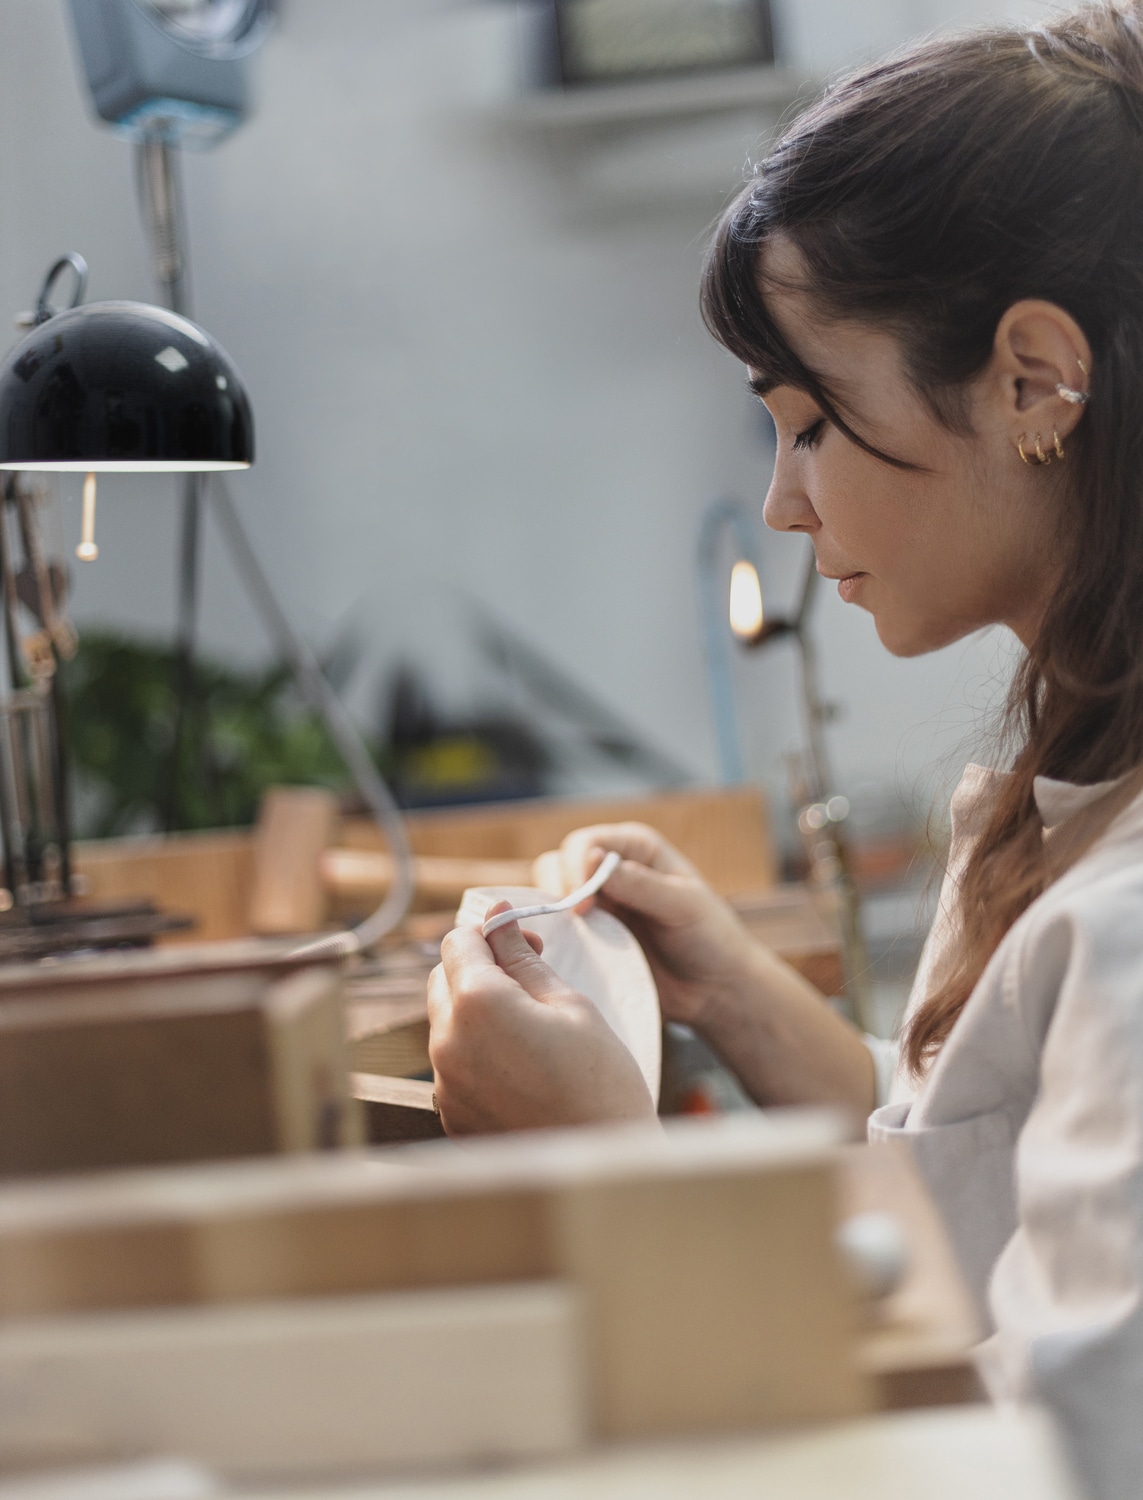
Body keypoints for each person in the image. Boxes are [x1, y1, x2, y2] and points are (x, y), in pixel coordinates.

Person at [428, 4, 1143, 1496]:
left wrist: (603, 1169)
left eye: (811, 421)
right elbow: (995, 1179)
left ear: (1033, 380)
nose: (783, 503)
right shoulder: (1076, 781)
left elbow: (1047, 1460)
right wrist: (740, 1000)